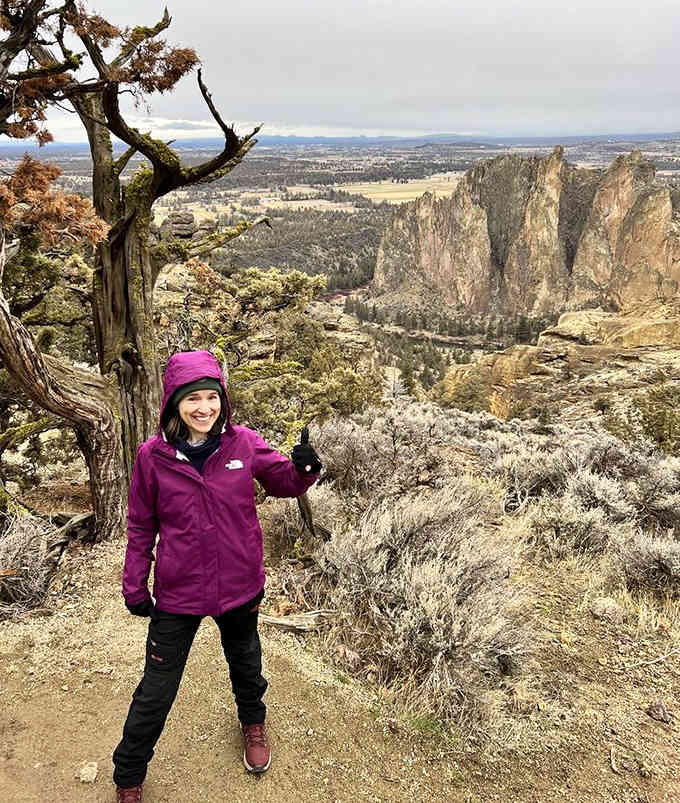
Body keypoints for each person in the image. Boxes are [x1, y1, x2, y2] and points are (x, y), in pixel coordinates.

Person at [112, 350, 322, 803]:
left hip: (239, 585)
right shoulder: (152, 457)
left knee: (246, 663)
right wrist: (135, 583)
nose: (204, 407)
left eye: (212, 397)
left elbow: (283, 482)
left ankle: (253, 723)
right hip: (179, 592)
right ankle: (128, 775)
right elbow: (141, 525)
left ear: (223, 399)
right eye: (193, 399)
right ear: (174, 402)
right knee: (156, 690)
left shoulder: (243, 443)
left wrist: (304, 469)